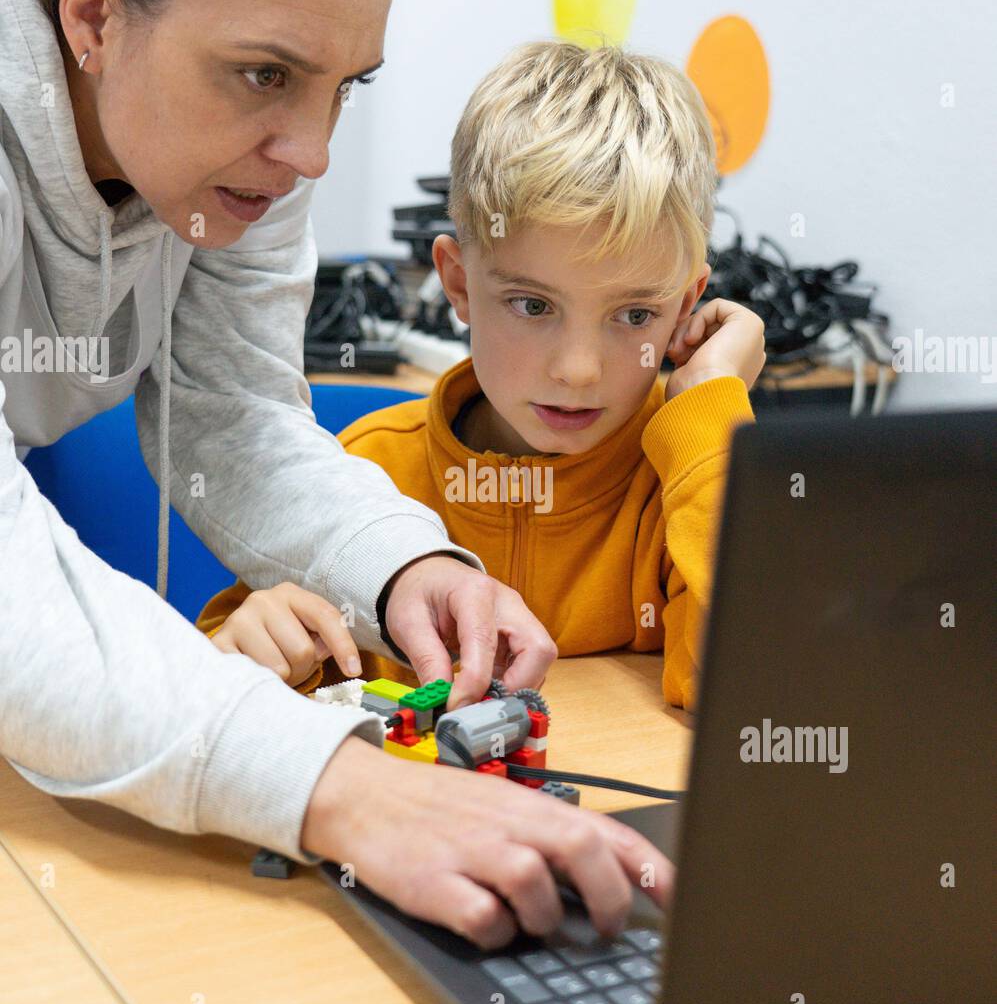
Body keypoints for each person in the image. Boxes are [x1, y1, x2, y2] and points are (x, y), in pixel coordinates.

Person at [0, 0, 673, 951]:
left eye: (343, 87)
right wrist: (338, 791)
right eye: (265, 75)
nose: (310, 152)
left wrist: (401, 561)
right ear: (92, 14)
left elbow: (239, 412)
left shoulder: (239, 158)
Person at [199, 40, 765, 710]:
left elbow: (753, 692)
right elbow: (232, 668)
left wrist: (708, 416)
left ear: (686, 306)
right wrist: (248, 653)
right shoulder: (364, 476)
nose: (578, 370)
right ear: (457, 283)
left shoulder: (680, 483)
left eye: (634, 314)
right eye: (533, 305)